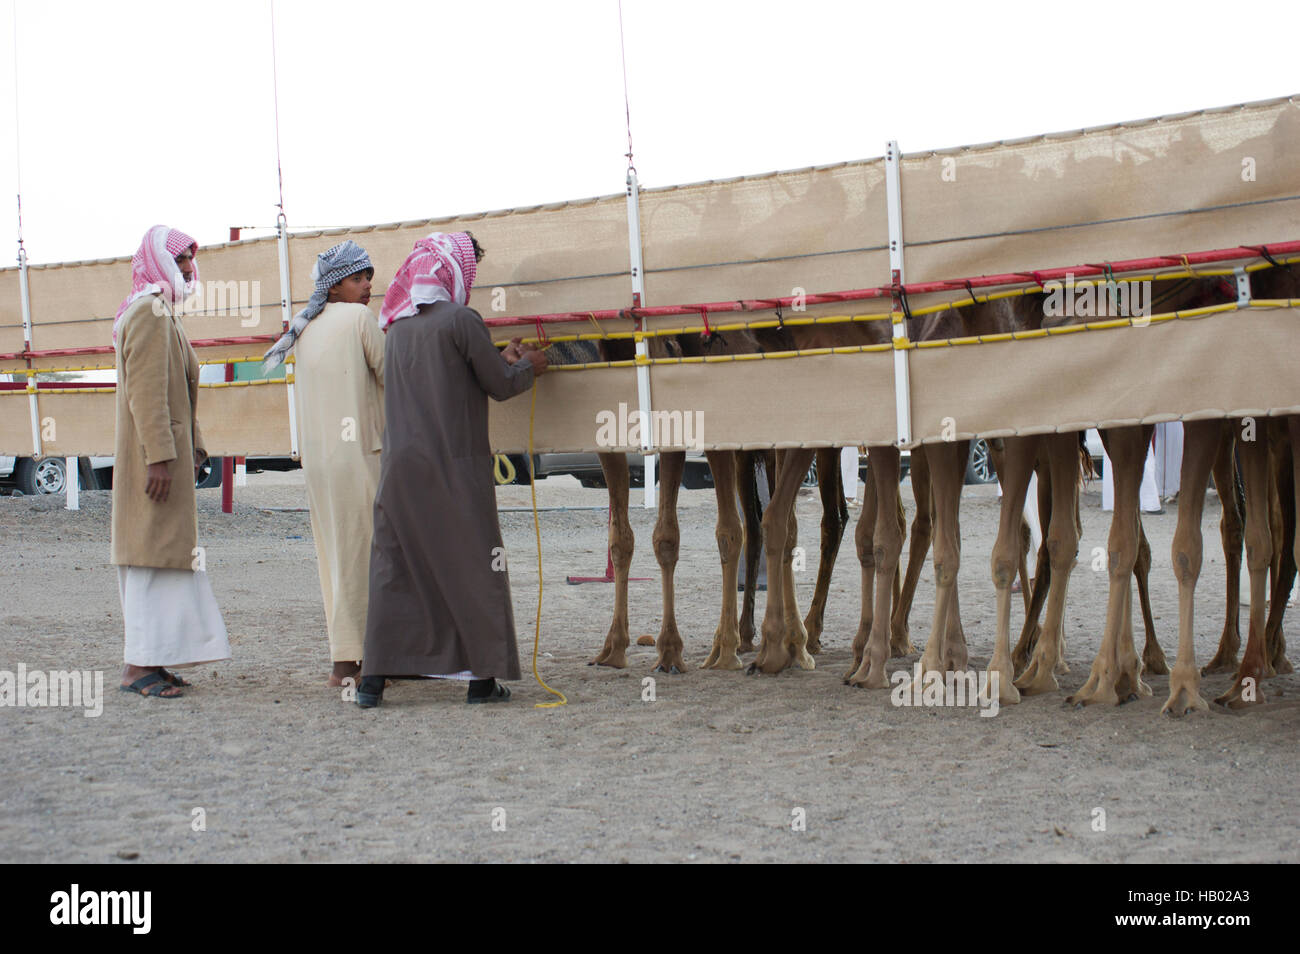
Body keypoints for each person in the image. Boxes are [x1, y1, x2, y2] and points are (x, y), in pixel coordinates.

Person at [356, 232, 547, 708]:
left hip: (400, 471)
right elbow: (500, 385)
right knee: (476, 568)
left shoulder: (396, 327)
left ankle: (371, 684)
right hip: (454, 469)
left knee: (394, 572)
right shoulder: (462, 320)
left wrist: (494, 357)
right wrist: (531, 366)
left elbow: (445, 378)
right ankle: (483, 682)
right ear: (453, 271)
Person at [112, 225, 231, 698]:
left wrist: (194, 447)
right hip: (154, 463)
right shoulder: (150, 313)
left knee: (164, 556)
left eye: (189, 260)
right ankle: (137, 667)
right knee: (150, 556)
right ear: (157, 262)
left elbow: (178, 392)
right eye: (178, 259)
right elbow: (147, 394)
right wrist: (160, 457)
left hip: (168, 458)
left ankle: (153, 661)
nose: (187, 268)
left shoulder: (162, 313)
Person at [263, 240, 385, 687]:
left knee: (336, 556)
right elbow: (392, 376)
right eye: (358, 278)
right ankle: (357, 665)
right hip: (359, 459)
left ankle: (348, 662)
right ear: (334, 287)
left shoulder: (304, 328)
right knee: (366, 557)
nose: (368, 285)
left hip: (320, 463)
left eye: (368, 276)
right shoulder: (359, 319)